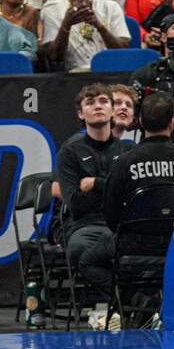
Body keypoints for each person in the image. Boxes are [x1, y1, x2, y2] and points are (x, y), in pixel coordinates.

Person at [103, 88, 174, 235]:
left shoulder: (124, 161)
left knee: (90, 257)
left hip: (135, 245)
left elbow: (110, 213)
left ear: (141, 122)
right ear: (172, 123)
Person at [56, 83, 125, 296]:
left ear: (113, 110)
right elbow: (76, 204)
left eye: (104, 101)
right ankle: (129, 303)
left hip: (121, 225)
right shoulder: (69, 154)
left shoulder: (128, 150)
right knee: (79, 251)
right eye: (90, 102)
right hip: (85, 226)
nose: (97, 106)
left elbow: (131, 197)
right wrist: (115, 192)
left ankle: (122, 307)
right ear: (80, 113)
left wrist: (96, 184)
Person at [39, 0, 130, 72]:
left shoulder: (111, 7)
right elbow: (54, 57)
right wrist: (65, 26)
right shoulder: (51, 11)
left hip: (108, 71)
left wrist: (99, 26)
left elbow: (123, 50)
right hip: (73, 74)